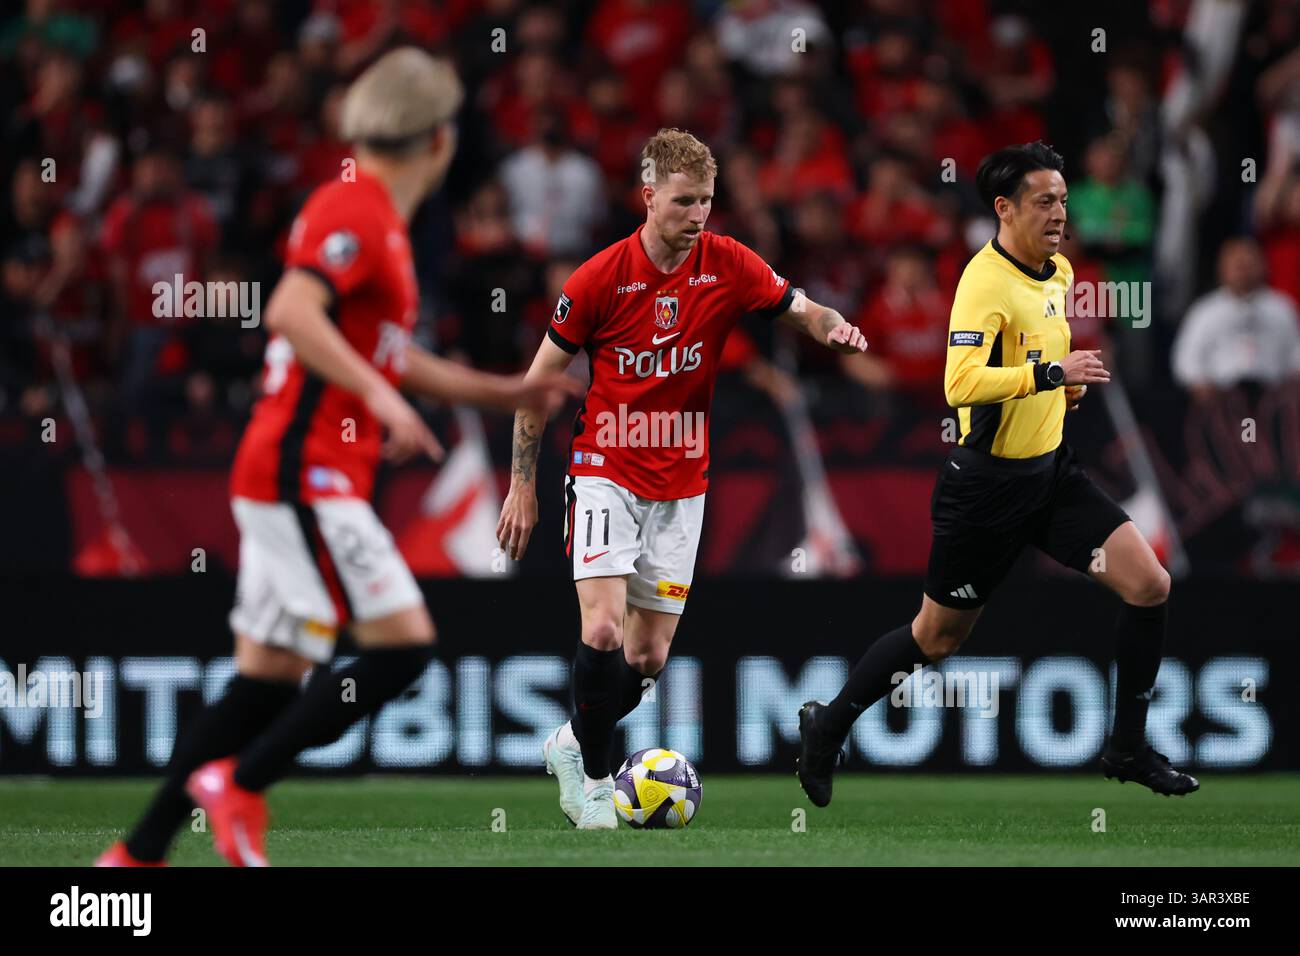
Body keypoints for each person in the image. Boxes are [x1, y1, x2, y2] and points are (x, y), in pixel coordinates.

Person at [96, 48, 576, 867]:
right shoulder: (353, 210)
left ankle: (134, 859)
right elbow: (289, 308)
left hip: (300, 471)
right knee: (404, 645)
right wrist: (382, 397)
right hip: (303, 470)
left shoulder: (377, 219)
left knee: (266, 682)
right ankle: (241, 784)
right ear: (438, 139)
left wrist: (498, 394)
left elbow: (385, 351)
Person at [796, 141, 1198, 807]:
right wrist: (1048, 376)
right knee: (937, 638)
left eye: (1064, 200)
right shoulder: (983, 282)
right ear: (1004, 209)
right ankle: (828, 723)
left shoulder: (1060, 272)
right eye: (1044, 201)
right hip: (984, 489)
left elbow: (1047, 354)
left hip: (1051, 476)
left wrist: (1063, 392)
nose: (1059, 213)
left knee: (1150, 584)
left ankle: (1126, 746)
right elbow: (961, 383)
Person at [496, 128, 868, 829]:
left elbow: (799, 307)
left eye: (706, 201)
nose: (698, 215)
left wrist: (831, 325)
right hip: (606, 469)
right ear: (648, 197)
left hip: (683, 483)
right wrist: (523, 486)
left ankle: (572, 743)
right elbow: (536, 384)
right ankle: (600, 788)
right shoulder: (598, 279)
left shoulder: (726, 263)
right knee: (603, 631)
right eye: (683, 201)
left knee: (647, 656)